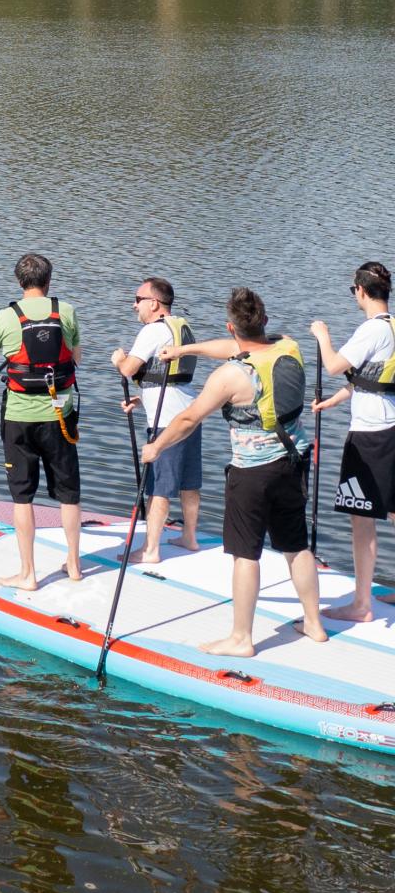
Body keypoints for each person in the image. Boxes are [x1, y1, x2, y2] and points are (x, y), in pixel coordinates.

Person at [143, 287, 327, 656]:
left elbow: (190, 418)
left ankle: (242, 638)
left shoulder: (229, 377)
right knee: (295, 545)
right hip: (295, 462)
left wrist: (157, 447)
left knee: (246, 555)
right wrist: (184, 350)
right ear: (266, 322)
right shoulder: (288, 347)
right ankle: (313, 623)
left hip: (252, 473)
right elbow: (234, 347)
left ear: (230, 326)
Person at [0, 252, 84, 590]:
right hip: (61, 413)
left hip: (19, 415)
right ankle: (74, 565)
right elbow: (76, 358)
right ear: (49, 281)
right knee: (69, 493)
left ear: (20, 282)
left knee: (23, 496)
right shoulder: (66, 311)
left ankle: (28, 574)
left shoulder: (5, 317)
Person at [310, 260, 395, 622]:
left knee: (362, 518)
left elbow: (333, 365)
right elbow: (373, 378)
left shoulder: (371, 330)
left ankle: (361, 605)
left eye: (352, 291)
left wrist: (321, 335)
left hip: (369, 434)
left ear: (361, 290)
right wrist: (334, 400)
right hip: (391, 427)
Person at [111, 277, 201, 562]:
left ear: (153, 303)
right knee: (188, 482)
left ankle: (150, 549)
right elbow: (168, 378)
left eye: (138, 299)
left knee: (159, 485)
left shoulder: (152, 330)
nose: (133, 305)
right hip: (189, 413)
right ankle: (189, 537)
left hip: (166, 421)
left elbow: (129, 368)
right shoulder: (181, 326)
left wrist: (117, 360)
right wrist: (141, 399)